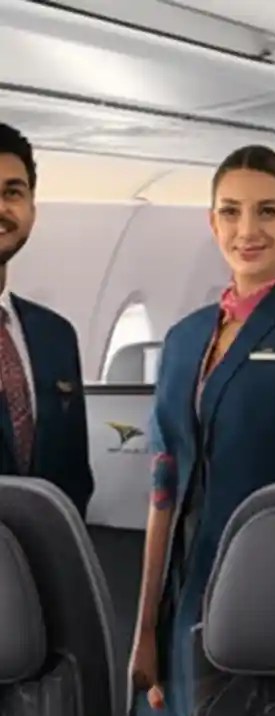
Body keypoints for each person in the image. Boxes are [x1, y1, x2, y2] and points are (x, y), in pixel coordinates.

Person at [128, 145, 275, 716]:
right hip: (181, 594)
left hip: (269, 596)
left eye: (267, 212)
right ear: (212, 222)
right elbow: (164, 486)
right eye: (231, 212)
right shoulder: (184, 339)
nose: (247, 229)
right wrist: (143, 627)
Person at [0, 122, 93, 514]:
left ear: (32, 208)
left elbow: (74, 477)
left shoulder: (55, 335)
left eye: (12, 192)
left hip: (43, 565)